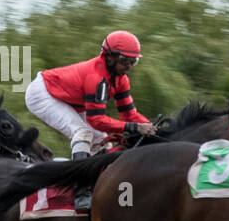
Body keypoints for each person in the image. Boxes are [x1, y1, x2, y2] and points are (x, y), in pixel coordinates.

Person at [24, 31, 157, 208]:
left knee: (102, 142)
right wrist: (135, 128)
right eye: (125, 60)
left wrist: (152, 128)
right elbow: (97, 120)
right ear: (109, 57)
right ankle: (81, 189)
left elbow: (130, 116)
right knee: (83, 132)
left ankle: (99, 183)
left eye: (134, 61)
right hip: (42, 94)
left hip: (68, 98)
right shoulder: (97, 78)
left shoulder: (121, 79)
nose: (129, 66)